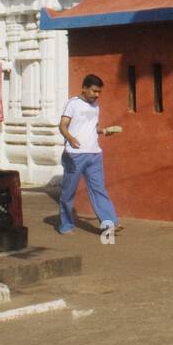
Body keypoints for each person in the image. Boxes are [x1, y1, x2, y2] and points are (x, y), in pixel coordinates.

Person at [58, 74, 121, 235]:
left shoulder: (96, 106)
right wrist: (70, 138)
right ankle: (66, 225)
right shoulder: (73, 104)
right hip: (74, 155)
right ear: (84, 88)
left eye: (99, 92)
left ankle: (109, 223)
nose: (97, 95)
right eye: (94, 91)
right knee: (68, 191)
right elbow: (63, 125)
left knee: (99, 189)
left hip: (94, 154)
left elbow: (92, 127)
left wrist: (105, 131)